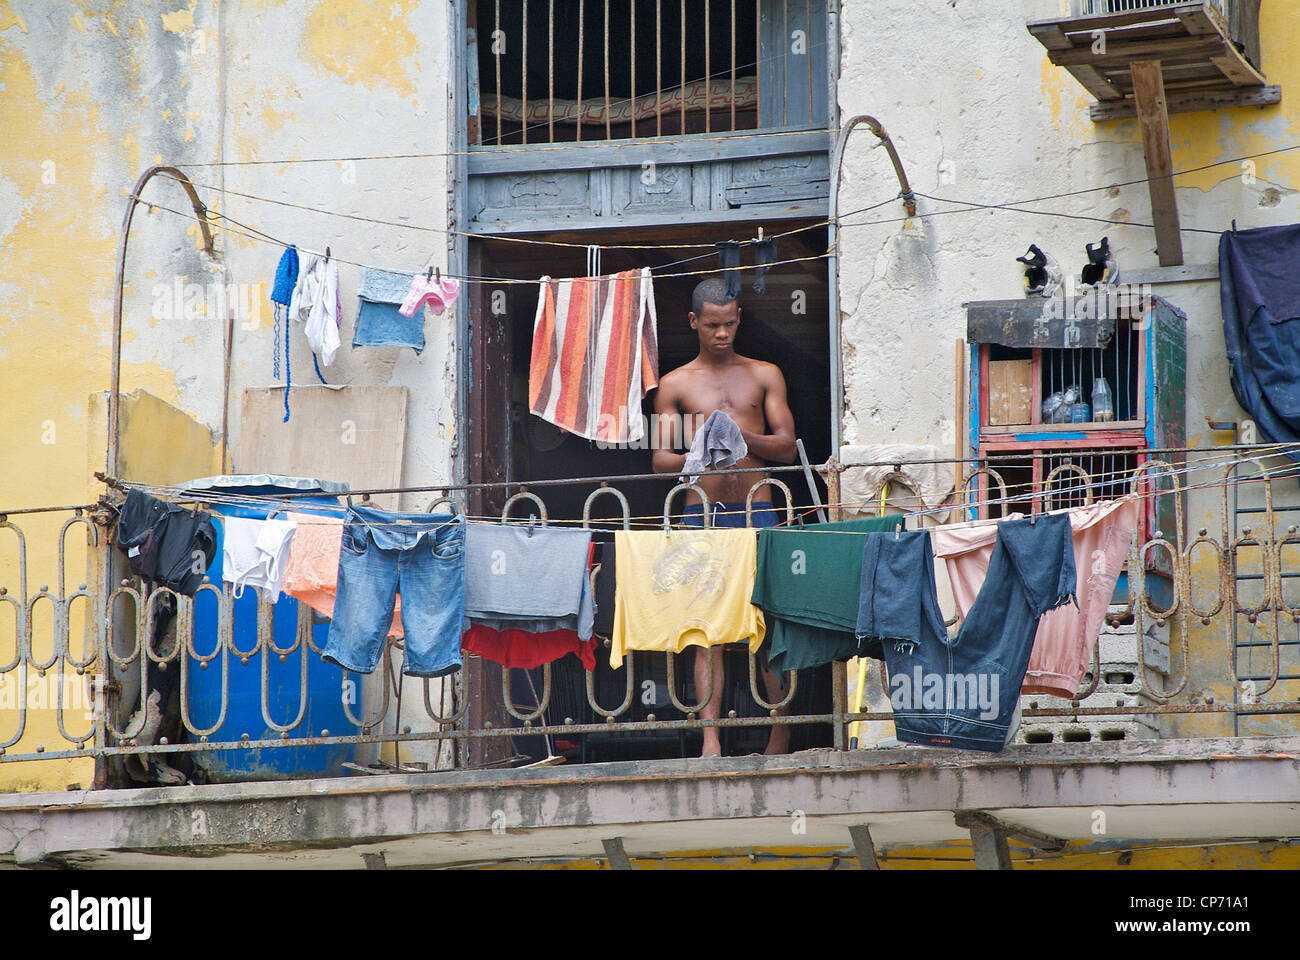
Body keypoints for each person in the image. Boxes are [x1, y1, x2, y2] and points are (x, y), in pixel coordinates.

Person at [651, 277, 797, 756]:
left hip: (761, 513)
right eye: (712, 325)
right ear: (694, 321)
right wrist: (702, 455)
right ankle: (710, 741)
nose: (722, 334)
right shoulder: (674, 384)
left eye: (730, 324)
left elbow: (786, 448)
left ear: (739, 319)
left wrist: (738, 437)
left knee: (769, 625)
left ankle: (780, 734)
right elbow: (660, 461)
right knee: (706, 630)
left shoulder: (765, 374)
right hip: (703, 517)